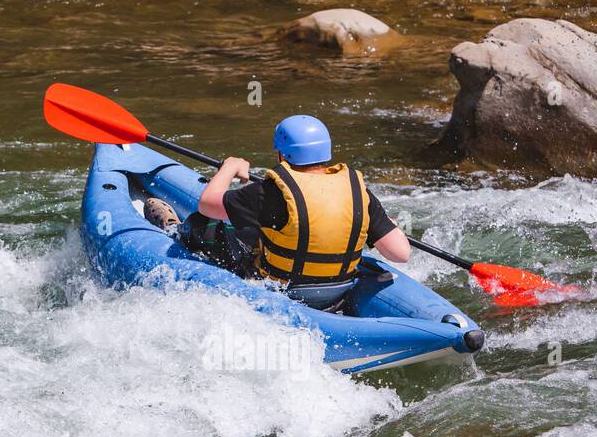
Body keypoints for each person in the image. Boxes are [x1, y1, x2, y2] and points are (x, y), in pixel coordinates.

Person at [143, 115, 411, 312]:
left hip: (281, 290)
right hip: (338, 293)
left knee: (204, 224)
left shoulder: (270, 192)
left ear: (282, 155)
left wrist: (229, 167)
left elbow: (207, 204)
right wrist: (377, 221)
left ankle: (174, 231)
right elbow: (401, 253)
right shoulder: (358, 191)